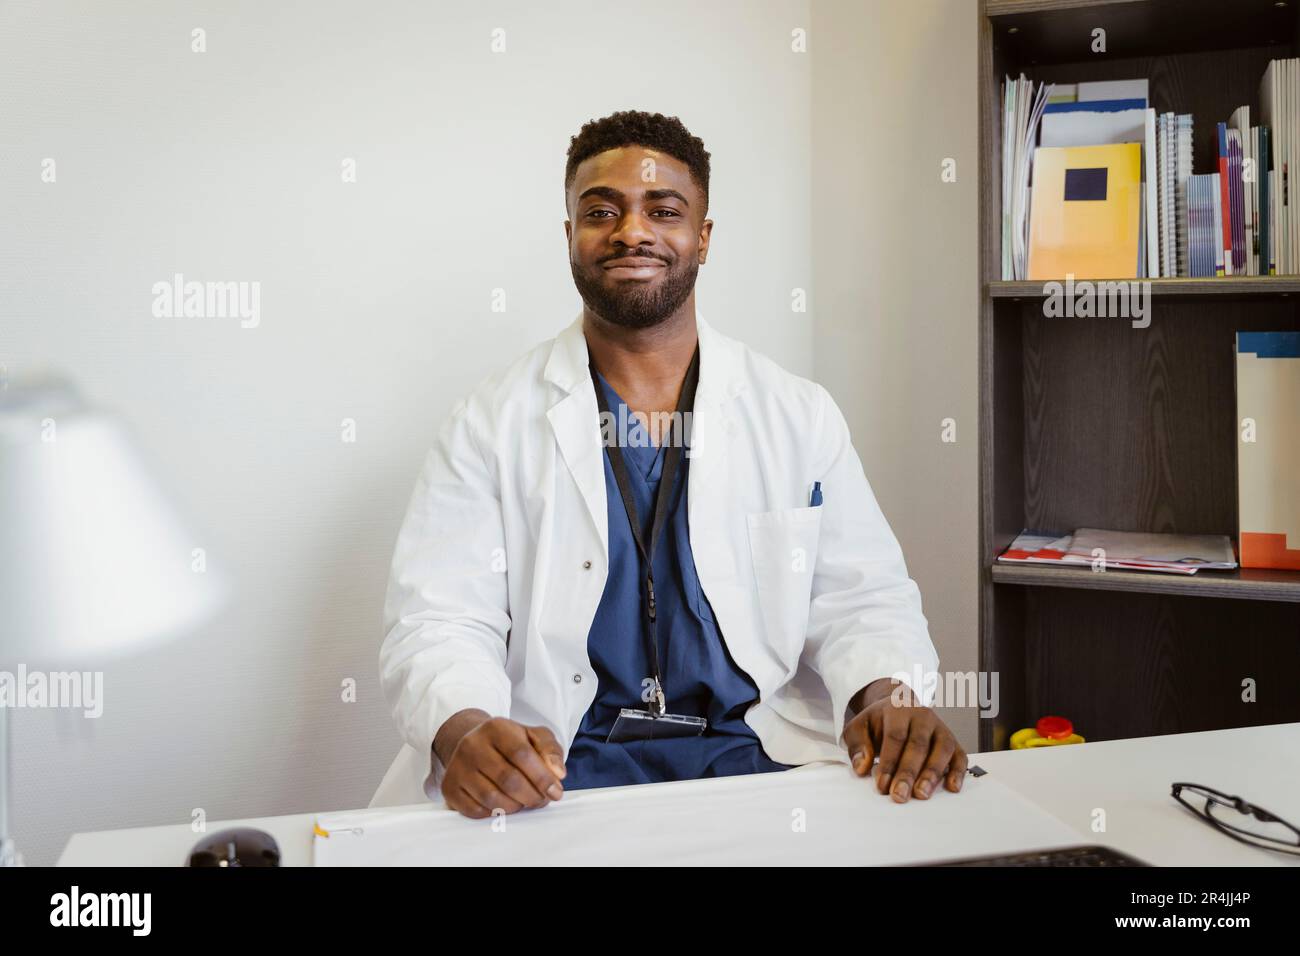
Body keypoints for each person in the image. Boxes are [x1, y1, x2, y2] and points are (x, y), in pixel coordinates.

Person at [378, 110, 965, 819]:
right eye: (601, 211)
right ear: (570, 237)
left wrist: (888, 697)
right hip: (561, 775)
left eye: (664, 209)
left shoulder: (796, 414)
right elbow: (438, 620)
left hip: (755, 764)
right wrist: (464, 728)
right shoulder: (489, 424)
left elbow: (862, 598)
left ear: (703, 237)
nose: (632, 230)